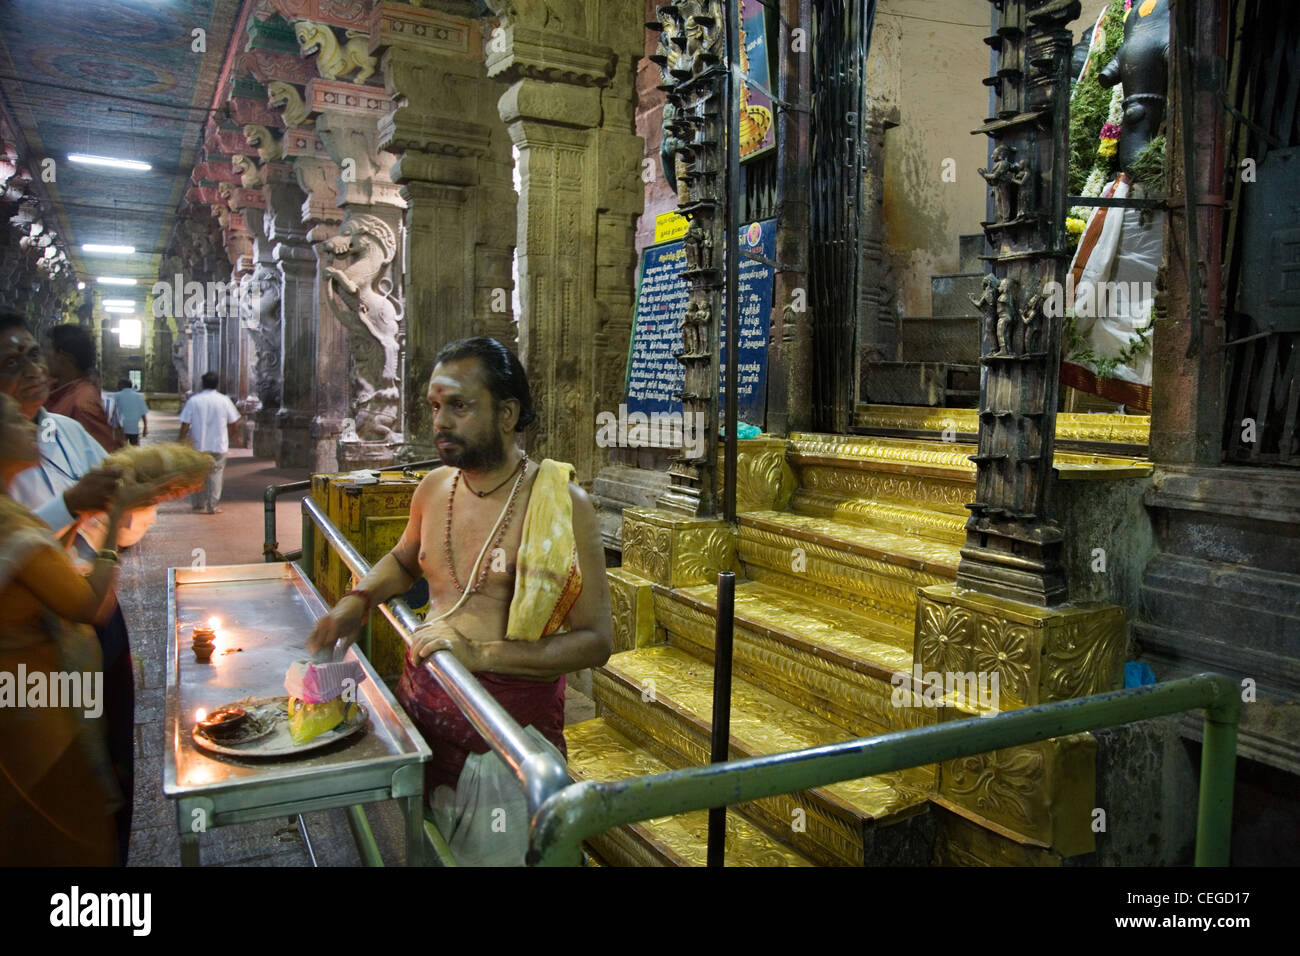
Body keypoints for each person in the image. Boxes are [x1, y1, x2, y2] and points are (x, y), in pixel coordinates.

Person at [307, 337, 612, 865]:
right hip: (421, 724)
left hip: (505, 747)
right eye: (434, 406)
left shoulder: (562, 504)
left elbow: (595, 643)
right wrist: (358, 600)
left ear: (508, 414)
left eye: (460, 406)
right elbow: (406, 561)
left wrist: (480, 656)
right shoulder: (433, 488)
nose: (441, 422)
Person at [0, 311, 147, 864]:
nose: (33, 371)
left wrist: (126, 507)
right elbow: (72, 591)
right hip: (37, 668)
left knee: (111, 757)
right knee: (58, 810)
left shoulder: (66, 430)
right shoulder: (12, 518)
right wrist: (85, 512)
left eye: (34, 354)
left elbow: (121, 512)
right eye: (12, 363)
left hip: (94, 628)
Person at [45, 325, 121, 451]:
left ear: (64, 357)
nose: (43, 358)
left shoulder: (82, 404)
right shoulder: (56, 391)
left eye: (46, 350)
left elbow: (99, 457)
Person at [178, 371, 241, 515]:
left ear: (202, 384)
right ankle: (213, 505)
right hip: (218, 444)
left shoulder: (194, 400)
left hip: (198, 444)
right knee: (216, 473)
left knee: (198, 473)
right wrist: (233, 436)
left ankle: (198, 503)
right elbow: (233, 421)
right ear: (217, 384)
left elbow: (185, 423)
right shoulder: (224, 400)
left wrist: (181, 440)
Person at [113, 378, 149, 446]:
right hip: (134, 428)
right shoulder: (138, 396)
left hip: (120, 429)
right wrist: (145, 427)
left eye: (118, 385)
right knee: (135, 450)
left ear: (122, 385)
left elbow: (112, 412)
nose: (117, 386)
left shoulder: (116, 396)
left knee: (120, 450)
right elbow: (143, 414)